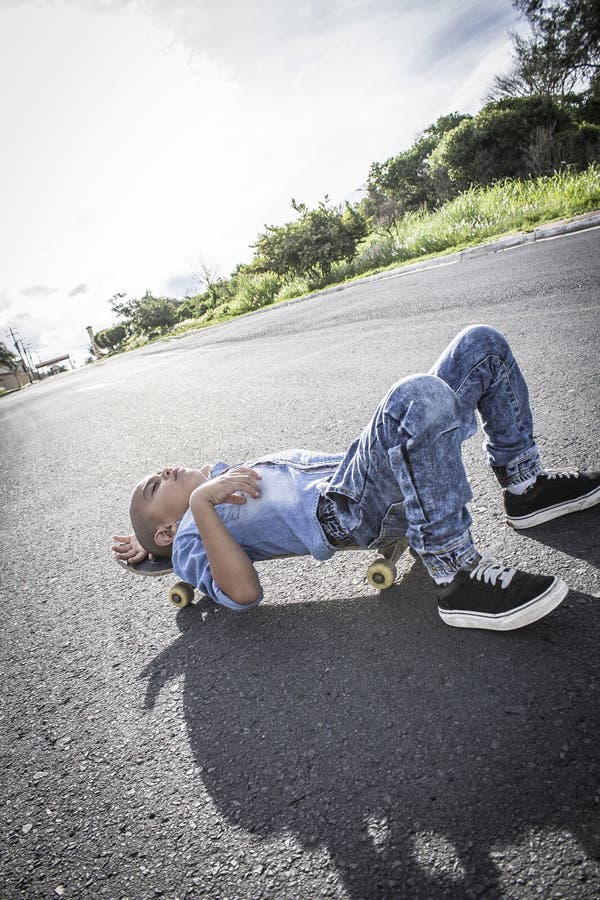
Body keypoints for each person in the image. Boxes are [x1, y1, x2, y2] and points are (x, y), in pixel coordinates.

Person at [113, 325, 600, 632]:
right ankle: (456, 575)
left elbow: (174, 519)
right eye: (156, 484)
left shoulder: (211, 485)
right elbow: (242, 593)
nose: (166, 471)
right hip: (346, 513)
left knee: (481, 346)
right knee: (415, 396)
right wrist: (184, 524)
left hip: (362, 479)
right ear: (167, 529)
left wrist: (156, 543)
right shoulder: (195, 526)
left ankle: (525, 487)